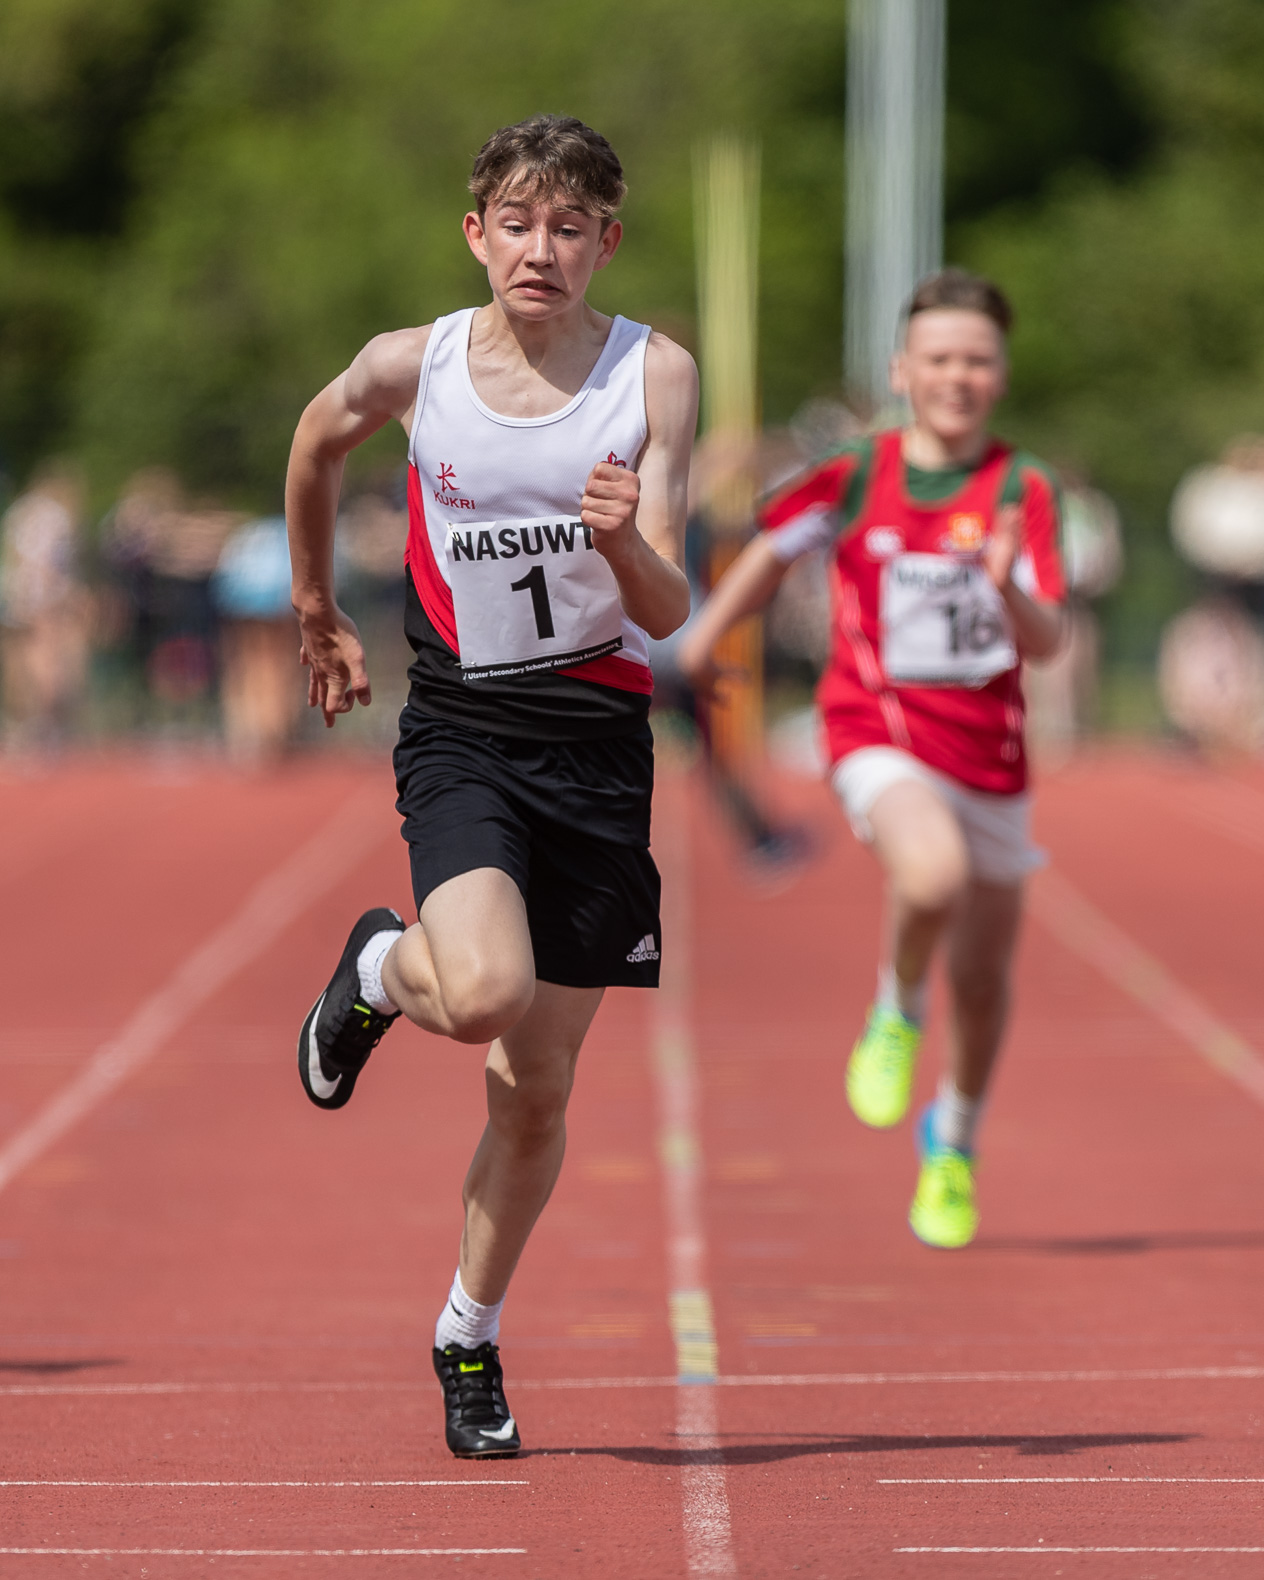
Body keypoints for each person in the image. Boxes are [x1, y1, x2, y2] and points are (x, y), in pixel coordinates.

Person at [285, 115, 696, 1456]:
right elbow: (314, 441)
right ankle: (383, 973)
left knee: (537, 1092)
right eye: (517, 223)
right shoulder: (419, 364)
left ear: (605, 242)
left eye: (569, 226)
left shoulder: (655, 376)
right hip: (464, 723)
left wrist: (626, 544)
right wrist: (315, 607)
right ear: (477, 234)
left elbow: (673, 606)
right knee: (485, 993)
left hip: (599, 739)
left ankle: (469, 1332)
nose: (541, 249)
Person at [679, 269, 1065, 1249]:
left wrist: (1002, 585)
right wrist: (702, 640)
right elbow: (769, 548)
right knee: (925, 872)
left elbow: (1049, 637)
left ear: (1001, 374)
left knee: (981, 980)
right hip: (874, 732)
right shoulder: (855, 473)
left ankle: (955, 1143)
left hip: (991, 755)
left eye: (975, 359)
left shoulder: (1022, 490)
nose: (956, 375)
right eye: (938, 357)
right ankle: (894, 1010)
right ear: (903, 370)